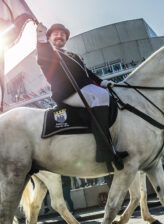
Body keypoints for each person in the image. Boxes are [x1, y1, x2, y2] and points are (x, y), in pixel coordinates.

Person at [35, 22, 127, 169]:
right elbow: (43, 56)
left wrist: (102, 82)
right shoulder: (49, 52)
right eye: (56, 33)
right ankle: (105, 152)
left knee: (109, 95)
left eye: (63, 34)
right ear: (49, 37)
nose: (60, 36)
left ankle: (112, 142)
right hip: (68, 92)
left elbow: (87, 73)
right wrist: (40, 37)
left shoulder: (72, 55)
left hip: (85, 88)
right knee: (101, 96)